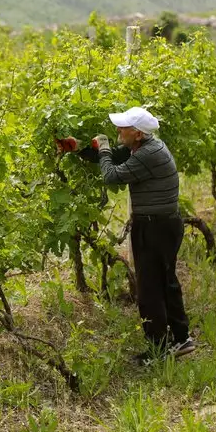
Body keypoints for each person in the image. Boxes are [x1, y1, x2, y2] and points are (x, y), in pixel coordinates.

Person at [91, 106, 196, 365]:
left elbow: (111, 173)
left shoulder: (146, 155)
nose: (118, 130)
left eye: (123, 127)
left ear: (137, 134)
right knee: (166, 282)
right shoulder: (147, 147)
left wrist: (103, 149)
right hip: (165, 225)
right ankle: (181, 339)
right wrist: (79, 148)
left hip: (154, 228)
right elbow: (114, 156)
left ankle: (158, 350)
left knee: (149, 290)